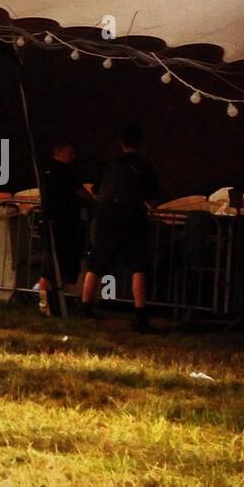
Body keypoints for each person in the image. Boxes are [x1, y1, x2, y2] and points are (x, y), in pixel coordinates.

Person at [80, 122, 161, 331]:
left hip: (107, 219)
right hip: (132, 220)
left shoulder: (110, 165)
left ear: (120, 142)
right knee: (138, 267)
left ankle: (85, 308)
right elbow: (152, 199)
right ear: (141, 143)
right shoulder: (145, 167)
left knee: (96, 264)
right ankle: (140, 315)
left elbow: (96, 191)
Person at [36, 139, 93, 315]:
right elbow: (82, 194)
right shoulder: (66, 172)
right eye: (70, 152)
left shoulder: (45, 172)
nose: (73, 156)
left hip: (49, 223)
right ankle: (49, 304)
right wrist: (95, 203)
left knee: (51, 266)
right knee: (59, 266)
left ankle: (47, 304)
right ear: (59, 152)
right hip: (63, 226)